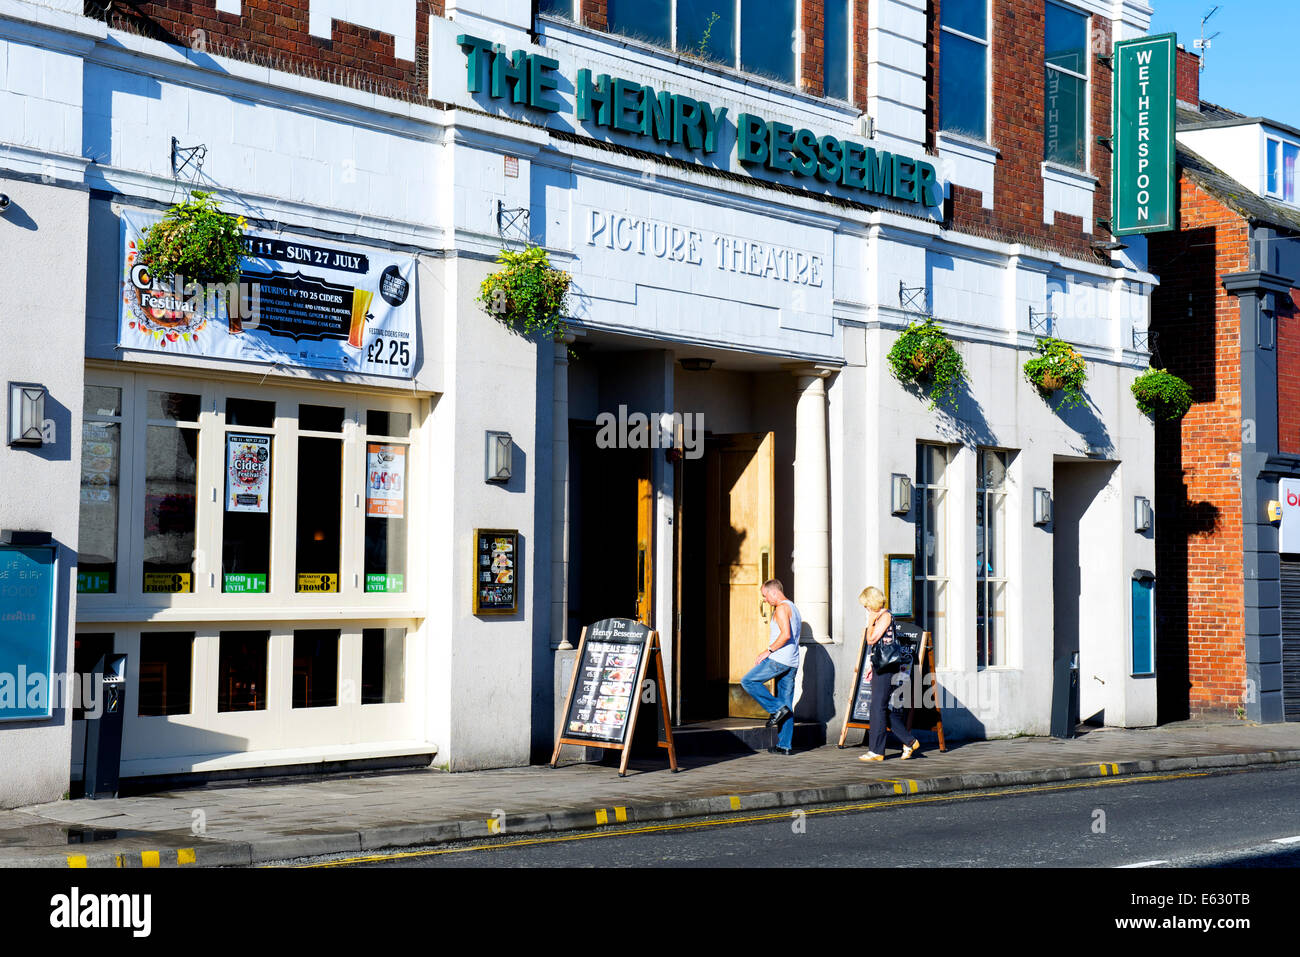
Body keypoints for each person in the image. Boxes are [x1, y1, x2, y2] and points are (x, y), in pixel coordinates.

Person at [857, 586, 921, 762]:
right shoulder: (879, 616)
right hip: (880, 665)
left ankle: (877, 751)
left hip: (887, 667)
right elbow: (873, 645)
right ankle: (909, 741)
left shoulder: (884, 616)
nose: (865, 608)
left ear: (871, 602)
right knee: (882, 708)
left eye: (865, 604)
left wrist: (870, 622)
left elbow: (871, 639)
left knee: (877, 707)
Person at [740, 578, 802, 755]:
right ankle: (784, 746)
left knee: (748, 681)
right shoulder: (794, 608)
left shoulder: (782, 608)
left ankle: (775, 709)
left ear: (774, 592)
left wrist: (768, 650)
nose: (765, 600)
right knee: (786, 703)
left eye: (765, 596)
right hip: (792, 661)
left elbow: (785, 635)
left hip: (779, 660)